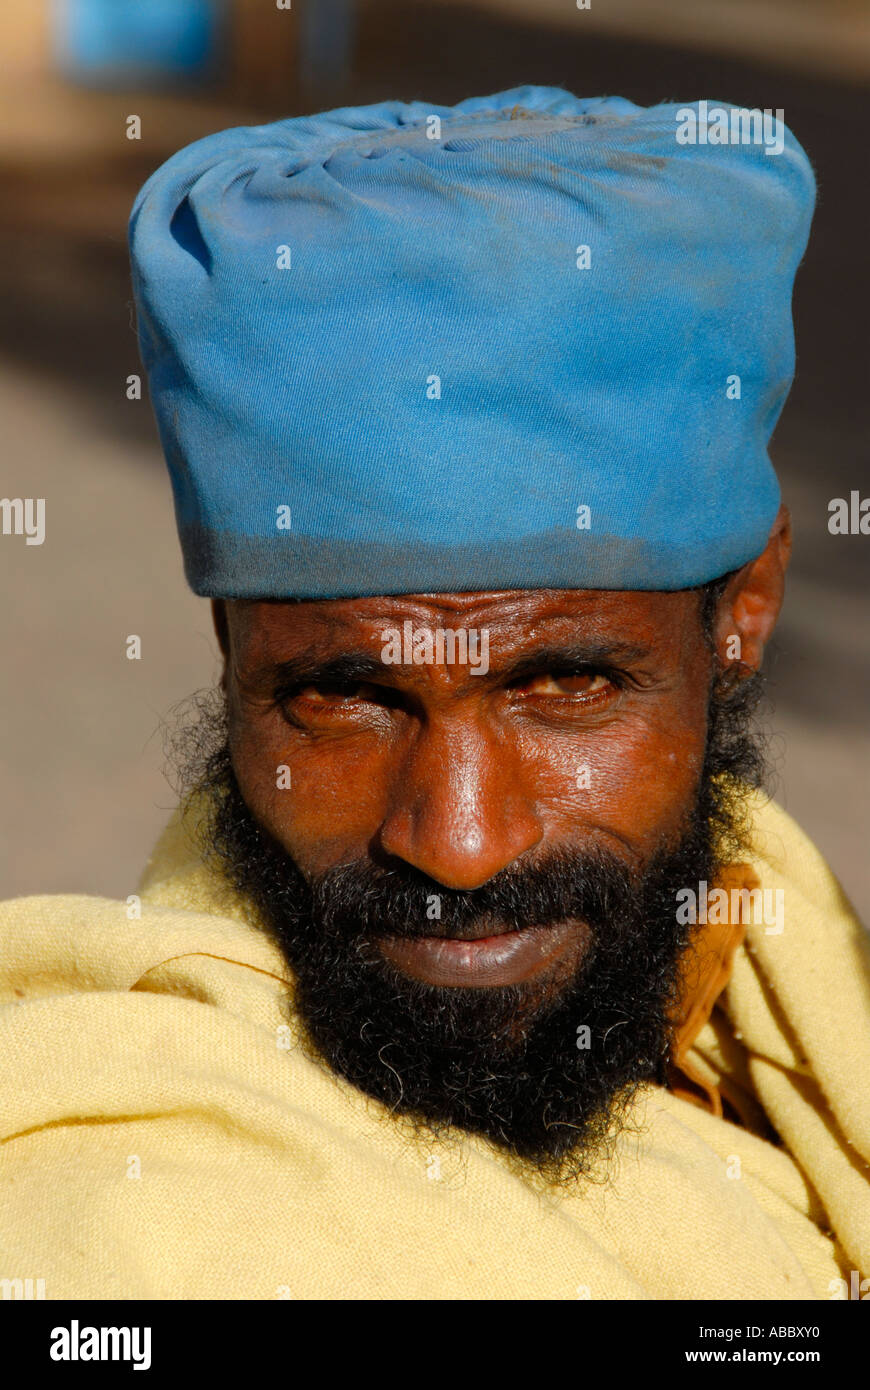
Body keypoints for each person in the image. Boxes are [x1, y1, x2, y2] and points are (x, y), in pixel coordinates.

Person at [1, 87, 867, 1301]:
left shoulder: (780, 984)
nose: (458, 844)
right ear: (232, 650)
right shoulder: (118, 1223)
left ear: (746, 613)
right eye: (346, 696)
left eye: (567, 683)